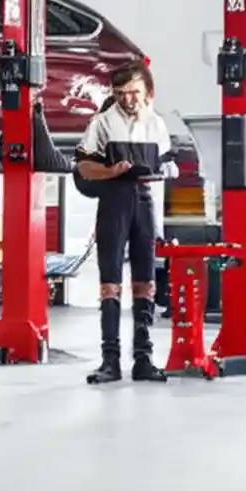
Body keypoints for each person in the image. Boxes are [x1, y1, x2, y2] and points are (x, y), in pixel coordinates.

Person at [74, 63, 178, 384]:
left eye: (133, 92)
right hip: (114, 201)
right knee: (110, 279)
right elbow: (83, 168)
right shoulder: (102, 122)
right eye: (120, 94)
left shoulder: (156, 124)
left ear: (147, 92)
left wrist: (164, 170)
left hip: (145, 200)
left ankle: (144, 359)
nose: (128, 99)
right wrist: (111, 172)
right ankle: (110, 361)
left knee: (145, 279)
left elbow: (169, 164)